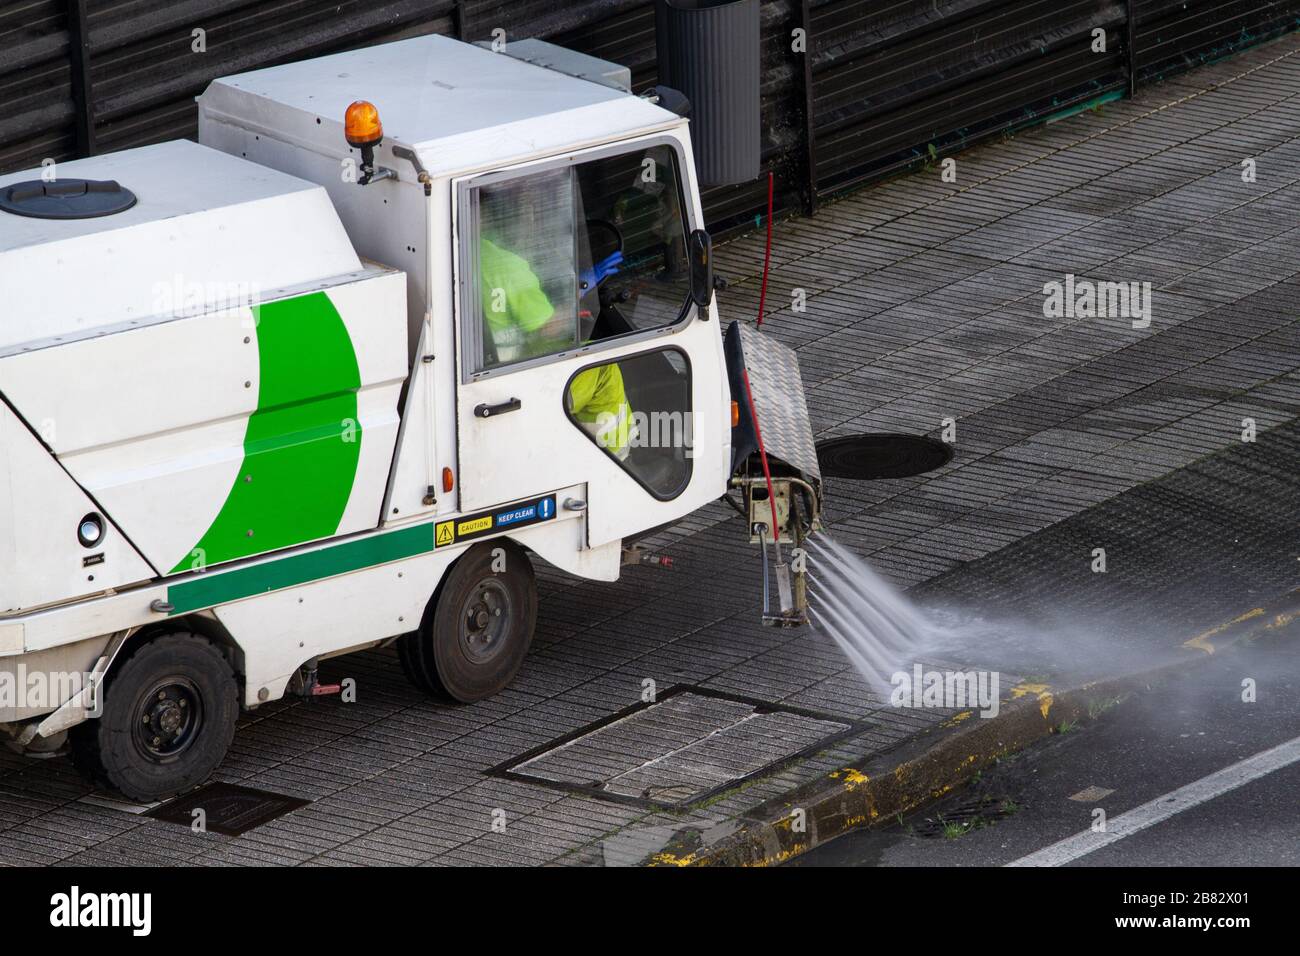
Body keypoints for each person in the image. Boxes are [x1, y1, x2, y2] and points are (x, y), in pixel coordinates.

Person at [478, 230, 635, 460]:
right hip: (519, 377)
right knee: (602, 366)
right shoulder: (506, 265)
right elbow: (550, 327)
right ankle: (614, 460)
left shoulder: (474, 251)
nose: (532, 216)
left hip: (493, 360)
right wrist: (581, 288)